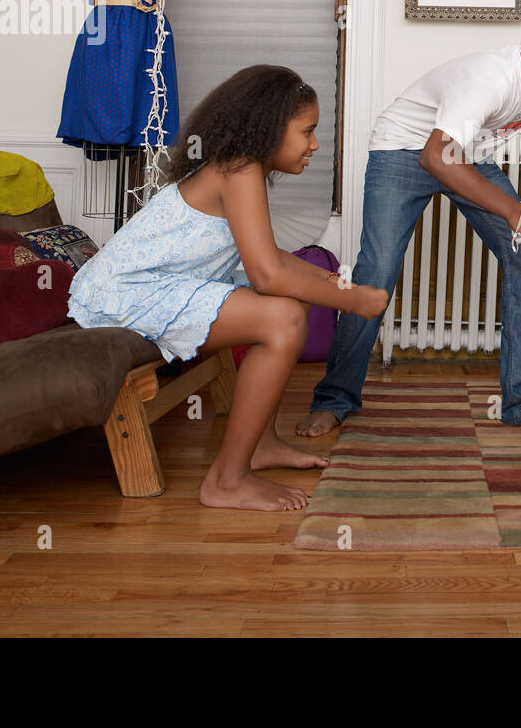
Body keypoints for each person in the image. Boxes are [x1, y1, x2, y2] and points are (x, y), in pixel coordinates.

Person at [68, 66, 389, 512]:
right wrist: (355, 301)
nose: (315, 144)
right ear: (271, 128)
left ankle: (262, 444)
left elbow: (272, 258)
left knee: (288, 302)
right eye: (308, 131)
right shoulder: (238, 169)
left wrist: (333, 283)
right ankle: (226, 480)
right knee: (285, 316)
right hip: (127, 294)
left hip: (162, 285)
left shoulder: (240, 167)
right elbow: (268, 276)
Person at [297, 0, 521, 437]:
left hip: (467, 157)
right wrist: (517, 213)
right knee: (376, 272)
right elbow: (436, 156)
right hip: (404, 151)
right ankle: (335, 398)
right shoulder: (490, 78)